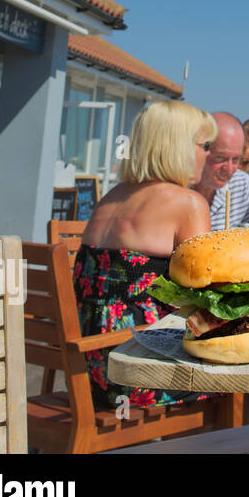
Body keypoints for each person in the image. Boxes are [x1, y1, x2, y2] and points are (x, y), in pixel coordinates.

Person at [73, 101, 218, 410]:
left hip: (89, 372)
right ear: (177, 147)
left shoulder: (110, 198)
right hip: (140, 371)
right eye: (203, 145)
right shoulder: (188, 204)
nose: (207, 154)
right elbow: (208, 296)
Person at [192, 112, 249, 230]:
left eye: (236, 159)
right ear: (200, 150)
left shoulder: (241, 183)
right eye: (220, 158)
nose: (229, 169)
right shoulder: (175, 186)